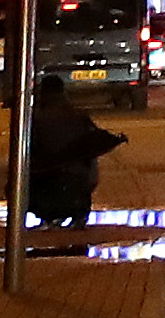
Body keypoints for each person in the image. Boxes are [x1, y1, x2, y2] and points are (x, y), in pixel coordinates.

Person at [24, 73, 122, 228]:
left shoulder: (37, 118)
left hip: (48, 181)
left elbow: (30, 152)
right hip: (77, 181)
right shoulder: (79, 115)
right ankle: (77, 216)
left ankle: (50, 216)